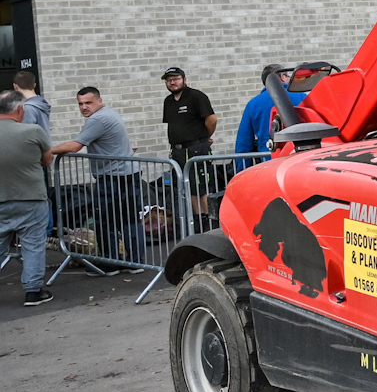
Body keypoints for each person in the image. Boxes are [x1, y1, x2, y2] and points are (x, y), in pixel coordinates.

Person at [51, 87, 144, 270]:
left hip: (112, 177)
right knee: (130, 219)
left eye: (88, 102)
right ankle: (136, 261)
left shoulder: (98, 119)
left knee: (105, 220)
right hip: (128, 173)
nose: (84, 107)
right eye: (80, 103)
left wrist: (46, 151)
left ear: (99, 101)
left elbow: (75, 146)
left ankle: (111, 262)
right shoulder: (110, 113)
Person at [0, 90, 53, 305]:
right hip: (31, 197)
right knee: (33, 246)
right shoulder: (33, 131)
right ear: (20, 109)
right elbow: (47, 160)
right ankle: (33, 292)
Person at [160, 67, 216, 224]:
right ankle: (197, 219)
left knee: (202, 184)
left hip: (197, 148)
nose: (172, 83)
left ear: (184, 80)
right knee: (189, 184)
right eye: (169, 80)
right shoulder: (168, 102)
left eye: (176, 79)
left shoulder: (196, 96)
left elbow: (211, 120)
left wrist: (205, 137)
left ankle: (208, 219)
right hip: (178, 150)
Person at [234, 66, 307, 167]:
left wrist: (242, 171)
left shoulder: (253, 104)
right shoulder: (302, 97)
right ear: (282, 77)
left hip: (269, 163)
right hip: (301, 160)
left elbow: (243, 144)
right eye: (288, 76)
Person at [12, 70, 50, 136]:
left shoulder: (28, 108)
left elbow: (25, 135)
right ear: (34, 85)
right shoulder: (41, 103)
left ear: (15, 86)